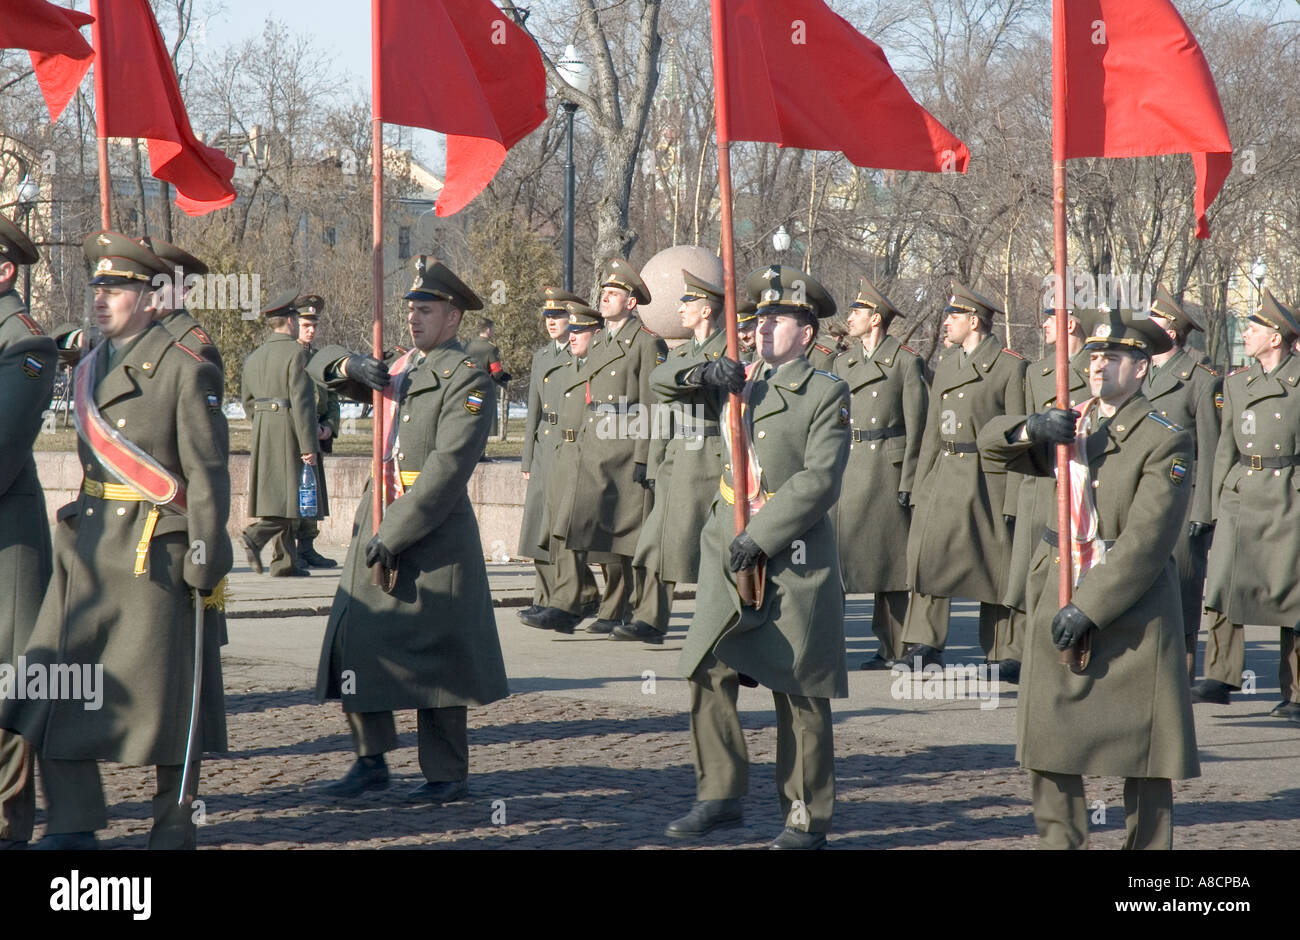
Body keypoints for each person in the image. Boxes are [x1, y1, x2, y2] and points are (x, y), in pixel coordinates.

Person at [0, 231, 230, 849]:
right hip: (90, 552)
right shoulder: (93, 362)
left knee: (168, 708)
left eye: (119, 287)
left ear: (152, 297)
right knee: (43, 685)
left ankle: (173, 829)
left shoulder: (187, 366)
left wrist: (206, 559)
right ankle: (74, 823)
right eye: (98, 286)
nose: (102, 298)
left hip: (154, 556)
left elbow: (207, 476)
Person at [978, 308, 1198, 849]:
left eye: (1115, 358)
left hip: (1131, 610)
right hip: (1055, 587)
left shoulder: (1165, 438)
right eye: (1095, 356)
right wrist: (1032, 427)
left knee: (1144, 757)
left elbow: (1148, 542)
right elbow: (989, 446)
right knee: (1049, 747)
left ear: (1142, 368)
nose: (1099, 366)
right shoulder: (1070, 425)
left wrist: (1089, 606)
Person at [659, 264, 850, 850]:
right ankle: (718, 794)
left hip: (791, 554)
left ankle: (805, 815)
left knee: (799, 687)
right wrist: (703, 368)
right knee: (706, 667)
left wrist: (762, 534)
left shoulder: (825, 391)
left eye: (778, 319)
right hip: (725, 541)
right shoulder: (736, 376)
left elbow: (820, 480)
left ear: (807, 334)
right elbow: (663, 381)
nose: (763, 327)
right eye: (760, 318)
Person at [310, 256, 508, 801]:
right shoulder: (399, 370)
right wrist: (351, 367)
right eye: (412, 309)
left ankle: (446, 774)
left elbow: (447, 469)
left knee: (437, 656)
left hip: (432, 531)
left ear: (454, 318)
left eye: (427, 309)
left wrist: (395, 532)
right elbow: (312, 365)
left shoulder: (467, 378)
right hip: (378, 515)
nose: (415, 318)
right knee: (359, 641)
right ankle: (370, 758)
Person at [901, 283, 1026, 667]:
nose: (946, 323)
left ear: (975, 321)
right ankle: (925, 641)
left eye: (953, 316)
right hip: (944, 473)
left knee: (996, 566)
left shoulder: (1009, 365)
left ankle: (1004, 650)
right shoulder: (948, 364)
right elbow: (931, 434)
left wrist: (1014, 497)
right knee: (930, 557)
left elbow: (1019, 437)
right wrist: (918, 485)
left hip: (988, 477)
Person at [1195, 290, 1300, 722]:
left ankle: (1295, 695)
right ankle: (1220, 677)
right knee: (1222, 581)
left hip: (1289, 492)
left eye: (1254, 328)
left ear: (1276, 338)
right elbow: (1224, 448)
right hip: (1242, 488)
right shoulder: (1237, 383)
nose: (1246, 334)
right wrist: (1213, 506)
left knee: (1293, 596)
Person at [546, 257, 666, 632]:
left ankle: (628, 610)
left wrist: (647, 457)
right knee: (579, 525)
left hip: (625, 448)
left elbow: (652, 404)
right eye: (604, 292)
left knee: (626, 537)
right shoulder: (599, 342)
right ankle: (577, 603)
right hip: (593, 446)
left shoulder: (646, 342)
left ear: (631, 303)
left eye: (614, 293)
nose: (606, 297)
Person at [616, 270, 730, 644]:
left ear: (707, 311)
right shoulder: (684, 354)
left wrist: (715, 372)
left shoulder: (730, 352)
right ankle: (650, 619)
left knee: (708, 548)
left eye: (688, 304)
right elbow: (659, 389)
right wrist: (654, 460)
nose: (681, 310)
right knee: (657, 540)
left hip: (711, 458)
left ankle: (719, 622)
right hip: (676, 457)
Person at [830, 277, 927, 669]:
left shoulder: (905, 362)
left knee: (889, 564)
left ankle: (894, 647)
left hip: (887, 466)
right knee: (836, 559)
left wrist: (910, 479)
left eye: (857, 312)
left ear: (876, 319)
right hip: (849, 462)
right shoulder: (842, 361)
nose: (849, 317)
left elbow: (918, 425)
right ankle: (829, 643)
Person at [0, 215, 57, 849]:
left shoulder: (24, 344)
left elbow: (2, 446)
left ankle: (7, 819)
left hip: (7, 539)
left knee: (10, 680)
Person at [998, 306, 1091, 683]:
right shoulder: (1037, 371)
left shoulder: (1094, 369)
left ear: (1070, 323)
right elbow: (1021, 436)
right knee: (1025, 571)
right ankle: (1018, 654)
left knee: (1072, 572)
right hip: (1038, 484)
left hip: (1079, 481)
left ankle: (1068, 650)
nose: (1044, 325)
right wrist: (1011, 498)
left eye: (1051, 319)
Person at [1143, 287, 1221, 683]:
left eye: (1154, 320)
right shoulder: (1140, 371)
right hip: (1144, 498)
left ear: (1171, 331)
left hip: (1184, 500)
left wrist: (1205, 510)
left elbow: (1210, 449)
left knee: (1184, 586)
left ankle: (1184, 669)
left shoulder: (1200, 380)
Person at [521, 303, 606, 633]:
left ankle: (577, 598)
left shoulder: (582, 355)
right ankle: (545, 596)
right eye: (548, 318)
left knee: (565, 527)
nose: (552, 323)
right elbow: (532, 411)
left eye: (559, 318)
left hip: (571, 443)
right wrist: (528, 458)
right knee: (538, 526)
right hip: (546, 445)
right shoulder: (543, 355)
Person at [239, 291, 317, 577]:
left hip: (262, 427)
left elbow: (246, 401)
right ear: (290, 321)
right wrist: (308, 444)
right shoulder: (296, 353)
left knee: (277, 494)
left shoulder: (254, 357)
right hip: (288, 427)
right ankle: (255, 536)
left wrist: (262, 421)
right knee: (291, 497)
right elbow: (302, 401)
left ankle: (285, 562)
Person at [293, 294, 339, 569]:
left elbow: (332, 399)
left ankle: (307, 547)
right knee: (294, 493)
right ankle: (289, 550)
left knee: (311, 493)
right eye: (305, 325)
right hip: (296, 437)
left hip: (317, 434)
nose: (310, 330)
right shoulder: (289, 356)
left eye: (314, 326)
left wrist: (330, 427)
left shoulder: (319, 358)